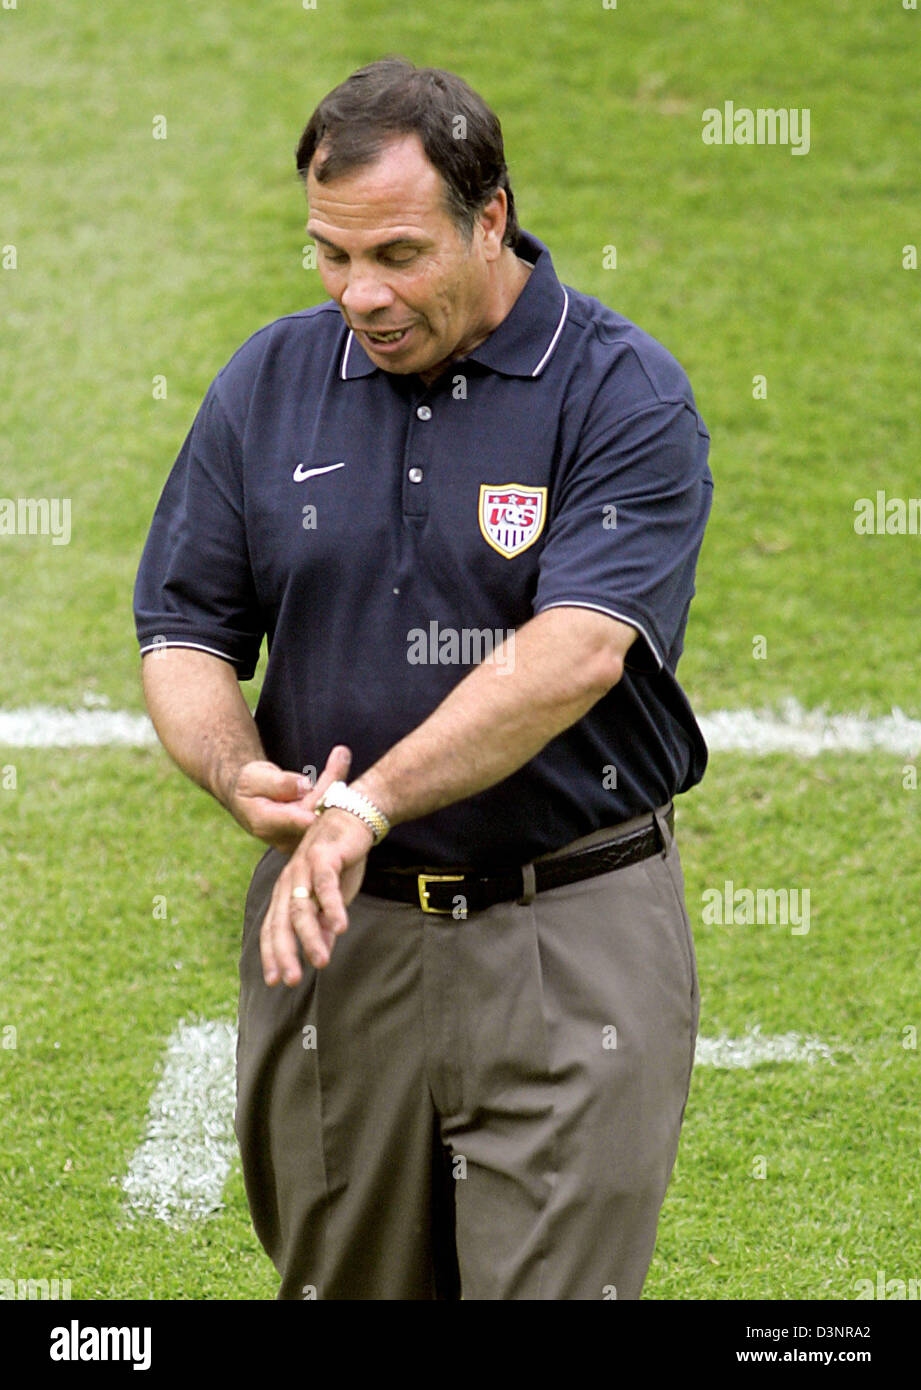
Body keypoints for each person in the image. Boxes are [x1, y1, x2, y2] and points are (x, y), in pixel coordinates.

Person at [134, 57, 713, 1301]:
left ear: (489, 214)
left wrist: (368, 800)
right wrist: (242, 776)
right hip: (339, 938)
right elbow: (183, 630)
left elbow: (576, 652)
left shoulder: (620, 390)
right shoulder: (268, 384)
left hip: (568, 932)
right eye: (332, 256)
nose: (361, 294)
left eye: (397, 253)